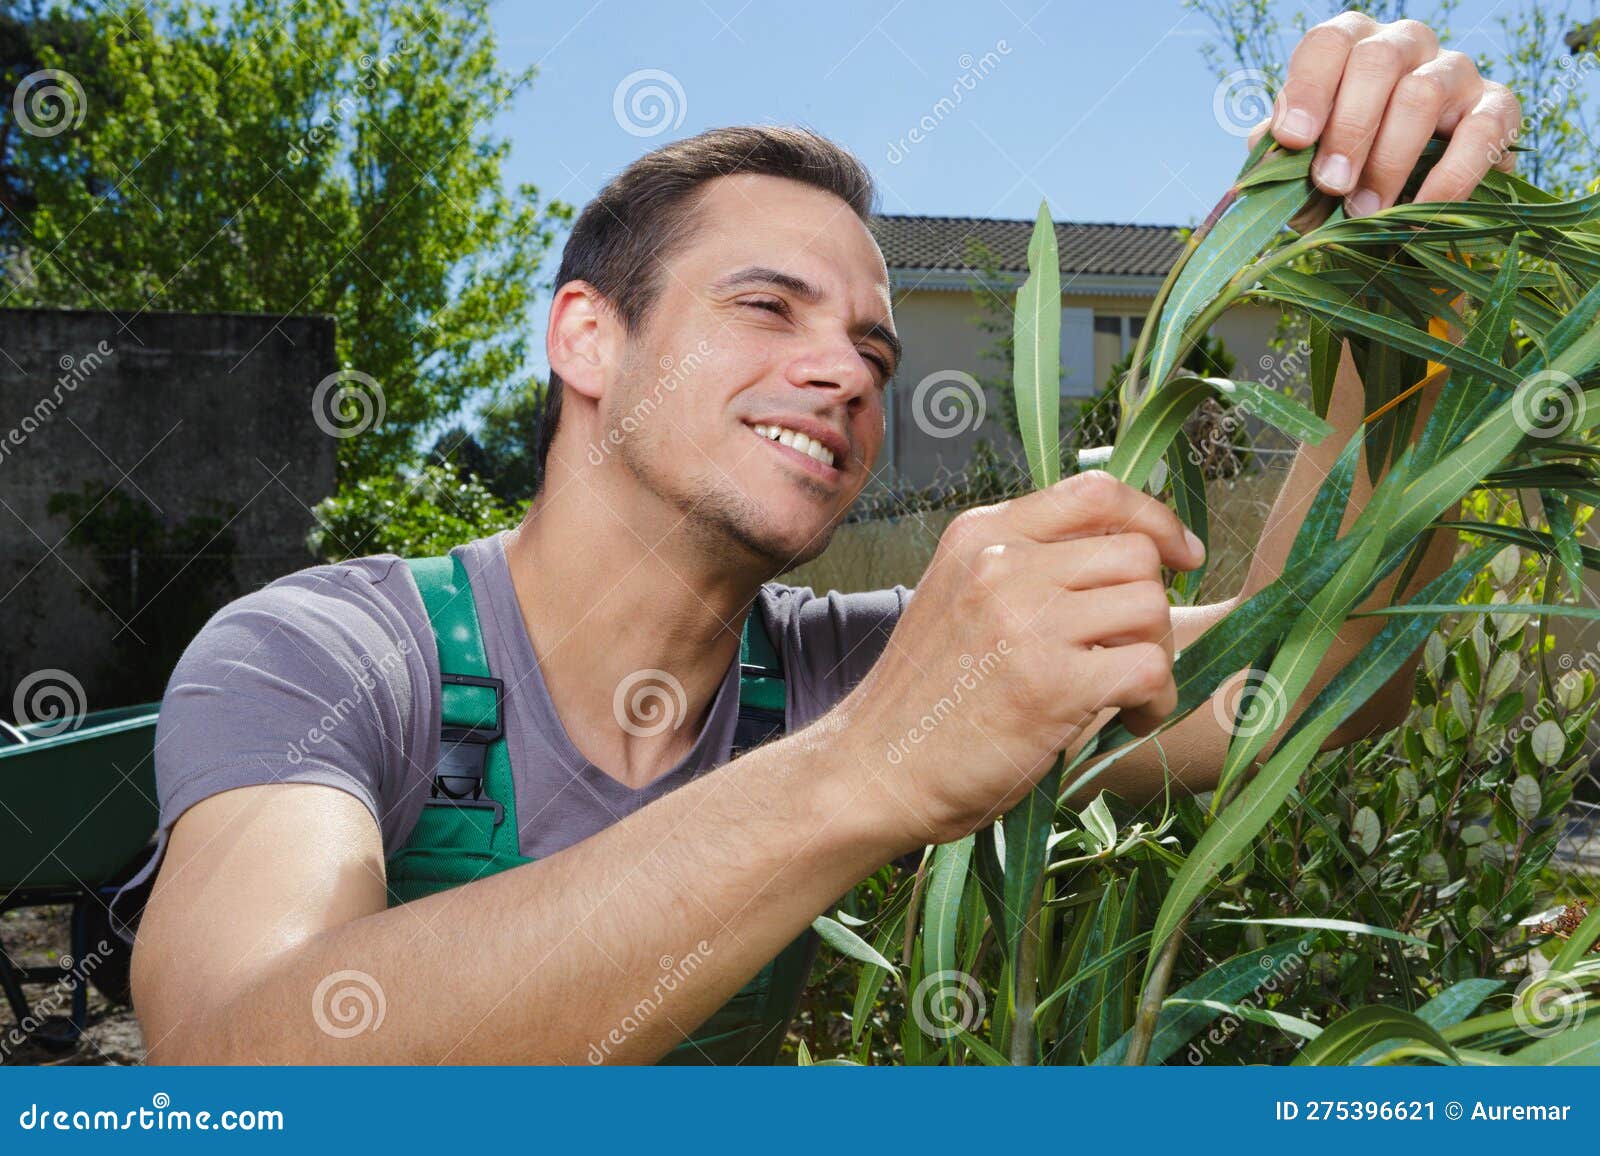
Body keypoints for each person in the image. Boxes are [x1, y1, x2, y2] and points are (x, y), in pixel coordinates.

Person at [128, 11, 1521, 1064]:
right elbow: (240, 1064)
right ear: (587, 338)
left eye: (872, 343)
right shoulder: (328, 656)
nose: (847, 371)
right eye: (767, 307)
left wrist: (1398, 327)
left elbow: (1328, 664)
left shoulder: (847, 666)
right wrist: (870, 767)